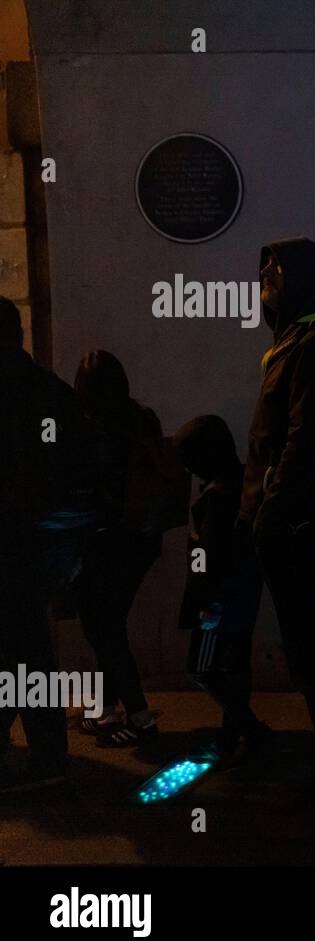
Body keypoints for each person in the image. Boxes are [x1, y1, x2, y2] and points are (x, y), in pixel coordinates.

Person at [241, 237, 315, 810]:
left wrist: (272, 512)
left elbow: (304, 444)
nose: (266, 274)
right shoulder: (297, 341)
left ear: (306, 278)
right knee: (310, 648)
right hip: (291, 519)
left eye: (278, 268)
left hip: (299, 522)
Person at [0, 298, 92, 791]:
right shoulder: (51, 391)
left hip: (11, 544)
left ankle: (44, 758)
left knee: (16, 651)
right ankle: (50, 755)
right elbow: (77, 473)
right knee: (29, 649)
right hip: (41, 548)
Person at [73, 349, 172, 747]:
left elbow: (88, 490)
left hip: (105, 542)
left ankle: (140, 716)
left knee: (103, 628)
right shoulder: (142, 418)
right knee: (108, 624)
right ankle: (110, 707)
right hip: (143, 538)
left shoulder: (93, 429)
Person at [175, 415, 270, 760]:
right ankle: (232, 736)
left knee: (203, 669)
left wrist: (203, 602)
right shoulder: (246, 483)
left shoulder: (215, 498)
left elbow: (208, 558)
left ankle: (249, 729)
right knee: (235, 667)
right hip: (242, 595)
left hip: (214, 604)